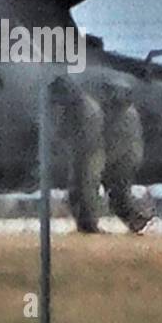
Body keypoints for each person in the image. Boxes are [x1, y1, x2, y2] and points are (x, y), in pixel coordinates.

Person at [50, 77, 106, 234]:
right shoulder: (72, 107)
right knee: (75, 190)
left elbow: (87, 136)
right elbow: (63, 130)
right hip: (79, 153)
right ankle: (83, 225)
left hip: (91, 153)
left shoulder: (87, 108)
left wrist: (64, 140)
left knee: (88, 189)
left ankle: (91, 226)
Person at [100, 82, 154, 233]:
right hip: (128, 158)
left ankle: (137, 221)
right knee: (118, 194)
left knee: (117, 194)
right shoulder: (127, 113)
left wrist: (104, 161)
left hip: (124, 160)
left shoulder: (124, 116)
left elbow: (118, 143)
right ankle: (136, 221)